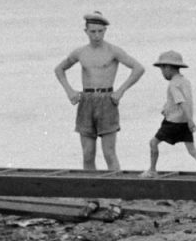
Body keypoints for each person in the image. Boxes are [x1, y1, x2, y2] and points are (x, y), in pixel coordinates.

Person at [54, 11, 144, 171]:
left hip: (107, 101)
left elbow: (138, 68)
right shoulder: (80, 52)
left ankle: (116, 192)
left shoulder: (113, 51)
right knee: (88, 153)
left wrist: (120, 91)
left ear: (105, 31)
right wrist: (69, 91)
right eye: (93, 31)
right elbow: (60, 69)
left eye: (100, 31)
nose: (97, 35)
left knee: (109, 152)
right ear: (86, 31)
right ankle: (91, 194)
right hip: (86, 100)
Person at [141, 50, 196, 178]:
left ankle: (152, 170)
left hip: (173, 123)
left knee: (153, 143)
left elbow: (181, 101)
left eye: (162, 69)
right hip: (184, 122)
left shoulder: (173, 84)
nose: (162, 73)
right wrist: (170, 109)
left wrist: (191, 120)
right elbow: (182, 100)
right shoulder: (185, 81)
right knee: (192, 149)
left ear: (168, 68)